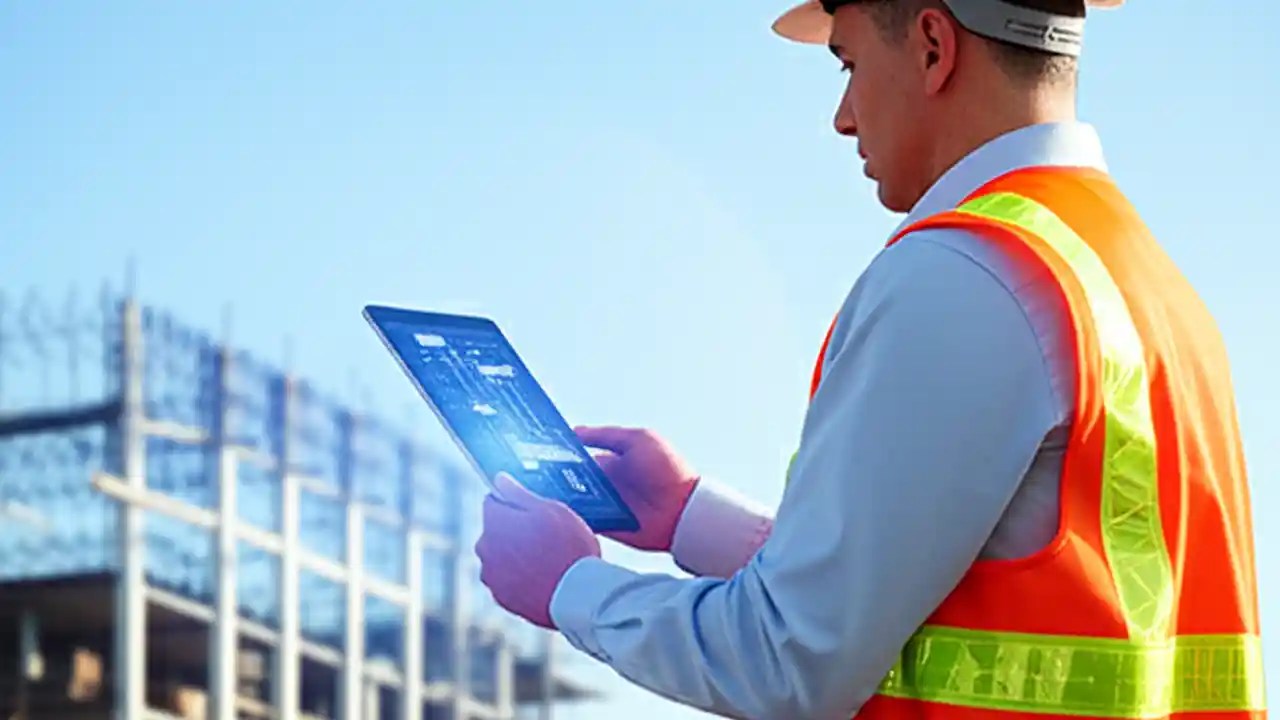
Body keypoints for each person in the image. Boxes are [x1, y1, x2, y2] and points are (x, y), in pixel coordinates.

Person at [474, 0, 1269, 717]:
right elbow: (942, 587)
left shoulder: (966, 272)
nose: (843, 118)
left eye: (849, 65)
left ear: (932, 45)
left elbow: (787, 662)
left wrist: (571, 587)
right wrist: (690, 517)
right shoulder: (1140, 281)